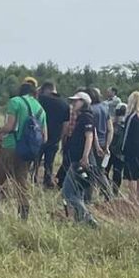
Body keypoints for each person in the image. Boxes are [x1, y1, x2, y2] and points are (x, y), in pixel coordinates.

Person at [0, 78, 42, 221]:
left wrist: (0, 130)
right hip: (28, 152)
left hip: (10, 146)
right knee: (22, 184)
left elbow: (9, 126)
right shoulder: (40, 108)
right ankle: (23, 218)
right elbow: (44, 136)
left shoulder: (15, 102)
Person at [59, 91, 99, 226]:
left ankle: (88, 218)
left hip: (80, 161)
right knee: (78, 193)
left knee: (67, 193)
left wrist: (85, 157)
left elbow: (89, 137)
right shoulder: (82, 117)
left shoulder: (86, 117)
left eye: (76, 101)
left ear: (84, 103)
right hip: (78, 159)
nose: (73, 103)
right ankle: (80, 221)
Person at [37, 82, 69, 189]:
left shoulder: (40, 100)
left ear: (45, 90)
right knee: (49, 162)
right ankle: (48, 180)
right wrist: (61, 137)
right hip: (55, 138)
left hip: (39, 135)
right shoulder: (64, 104)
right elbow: (66, 125)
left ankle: (33, 179)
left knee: (36, 160)